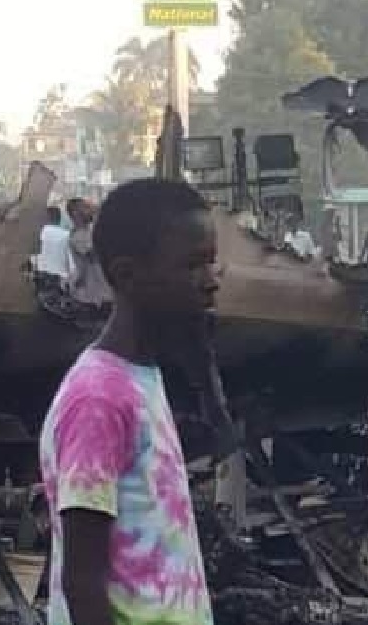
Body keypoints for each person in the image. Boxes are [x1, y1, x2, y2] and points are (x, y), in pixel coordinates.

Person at [39, 179, 218, 625]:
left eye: (211, 262)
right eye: (193, 265)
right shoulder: (99, 397)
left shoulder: (142, 376)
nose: (211, 281)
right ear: (127, 275)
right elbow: (82, 583)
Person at [66, 197, 110, 307]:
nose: (90, 210)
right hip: (94, 298)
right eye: (86, 207)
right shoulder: (78, 236)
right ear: (75, 213)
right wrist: (99, 218)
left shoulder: (88, 232)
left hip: (103, 294)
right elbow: (97, 255)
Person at [35, 206, 71, 286]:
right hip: (62, 272)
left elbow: (39, 249)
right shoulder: (67, 234)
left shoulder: (45, 230)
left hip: (46, 269)